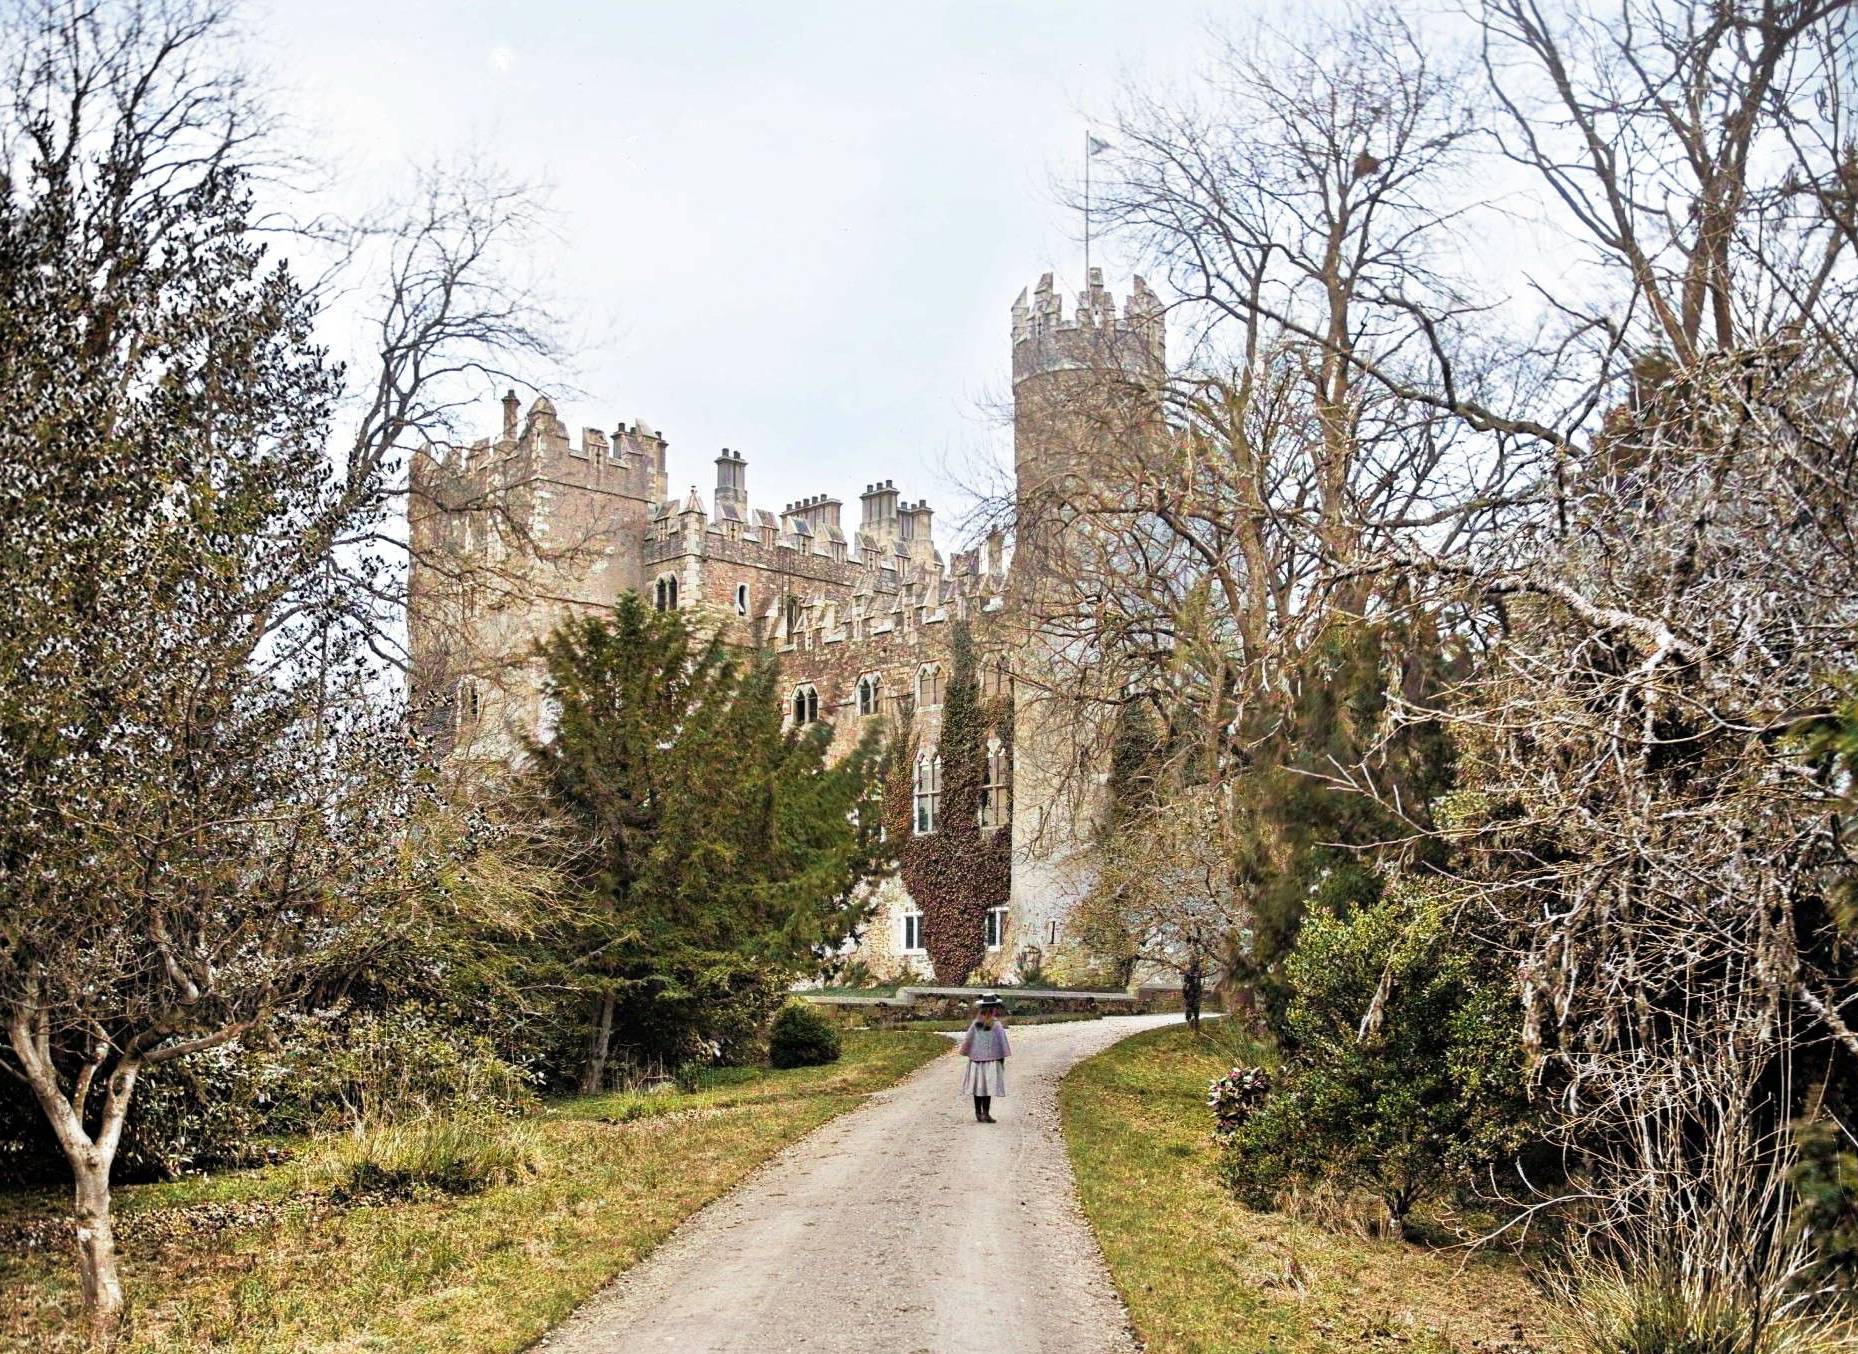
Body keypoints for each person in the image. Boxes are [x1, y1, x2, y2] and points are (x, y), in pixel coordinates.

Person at [957, 995, 1010, 1123]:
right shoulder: (996, 1025)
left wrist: (969, 1053)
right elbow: (1002, 1044)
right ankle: (985, 1113)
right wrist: (1001, 1060)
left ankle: (979, 1113)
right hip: (991, 1061)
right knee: (987, 1088)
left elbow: (968, 1041)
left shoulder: (976, 1025)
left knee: (978, 1088)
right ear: (994, 1009)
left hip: (976, 1062)